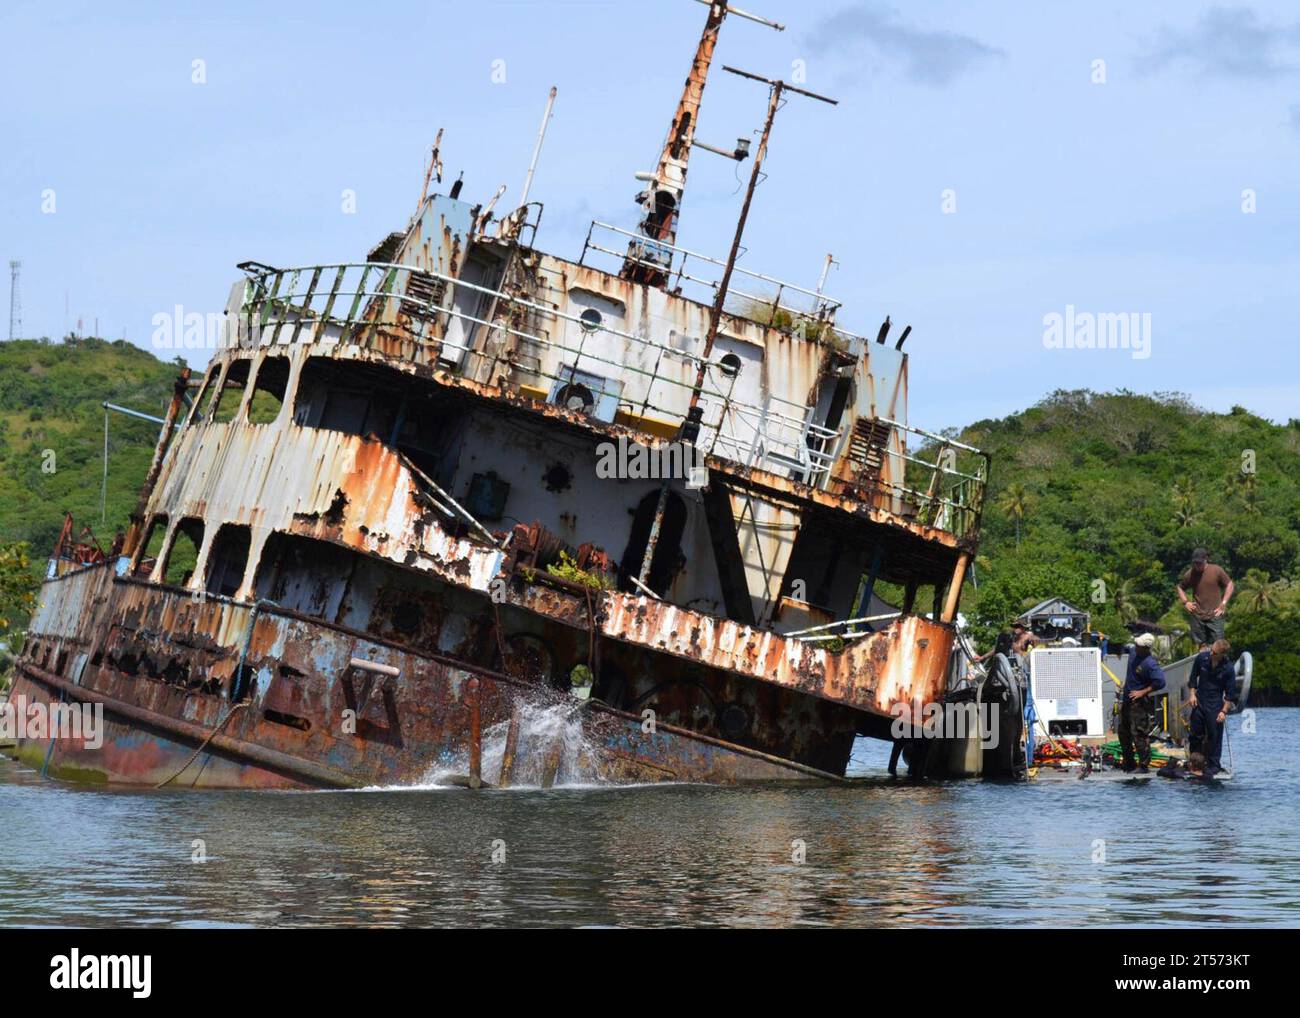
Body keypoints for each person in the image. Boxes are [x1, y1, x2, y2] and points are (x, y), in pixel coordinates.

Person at [1188, 638, 1237, 776]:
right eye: (1211, 649)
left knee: (1214, 736)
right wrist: (1192, 695)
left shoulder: (1228, 668)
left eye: (1214, 652)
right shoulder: (1202, 658)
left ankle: (1213, 764)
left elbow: (1230, 693)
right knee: (1195, 734)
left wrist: (1224, 711)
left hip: (1215, 703)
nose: (1211, 653)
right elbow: (1192, 679)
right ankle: (1194, 763)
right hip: (1200, 699)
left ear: (1222, 654)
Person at [1118, 632, 1166, 772]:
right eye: (1136, 643)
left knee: (1139, 734)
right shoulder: (1133, 651)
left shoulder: (1150, 664)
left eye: (1139, 645)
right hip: (1127, 700)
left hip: (1139, 703)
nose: (1136, 646)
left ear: (1146, 648)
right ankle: (1129, 762)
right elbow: (1123, 647)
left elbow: (1160, 682)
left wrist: (1143, 691)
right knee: (1123, 732)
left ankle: (1144, 765)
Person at [1176, 549, 1233, 648]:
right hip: (1197, 615)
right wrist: (1186, 602)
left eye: (1200, 563)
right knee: (1201, 646)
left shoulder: (1216, 570)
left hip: (1215, 614)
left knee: (1218, 646)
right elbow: (1180, 587)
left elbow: (1230, 584)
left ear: (1206, 559)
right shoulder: (1190, 574)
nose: (1197, 565)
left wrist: (1223, 603)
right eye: (1195, 563)